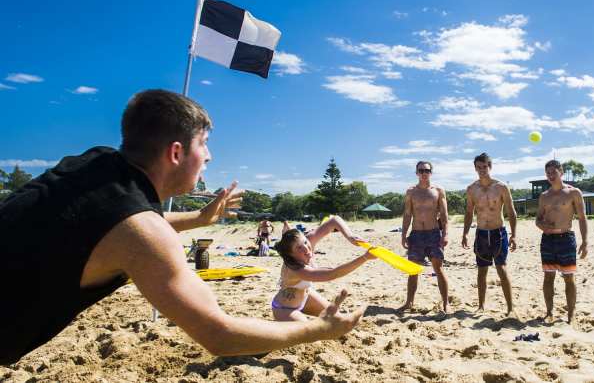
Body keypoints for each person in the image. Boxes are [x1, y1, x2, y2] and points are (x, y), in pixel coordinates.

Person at [0, 89, 363, 365]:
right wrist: (319, 330)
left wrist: (200, 220)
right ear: (175, 153)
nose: (209, 156)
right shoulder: (142, 234)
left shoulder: (97, 165)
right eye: (203, 144)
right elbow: (219, 335)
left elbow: (107, 223)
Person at [271, 216, 376, 321]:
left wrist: (350, 236)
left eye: (305, 242)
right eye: (299, 248)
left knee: (337, 319)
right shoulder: (296, 269)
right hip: (285, 308)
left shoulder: (308, 241)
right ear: (291, 254)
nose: (306, 248)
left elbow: (334, 221)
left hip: (306, 297)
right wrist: (365, 257)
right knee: (308, 332)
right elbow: (332, 274)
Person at [461, 153, 517, 315]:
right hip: (481, 233)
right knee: (481, 270)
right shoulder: (472, 189)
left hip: (498, 233)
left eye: (484, 167)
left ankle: (510, 308)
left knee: (502, 269)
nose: (482, 170)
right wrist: (465, 233)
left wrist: (514, 234)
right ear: (475, 168)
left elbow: (511, 212)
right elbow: (469, 212)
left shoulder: (500, 187)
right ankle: (481, 305)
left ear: (490, 166)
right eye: (479, 167)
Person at [535, 160, 589, 324]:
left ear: (561, 172)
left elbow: (582, 217)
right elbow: (537, 219)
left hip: (566, 238)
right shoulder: (544, 196)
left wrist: (585, 241)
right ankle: (549, 312)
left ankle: (571, 315)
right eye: (548, 173)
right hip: (548, 240)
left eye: (553, 172)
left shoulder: (573, 193)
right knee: (548, 277)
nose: (551, 176)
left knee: (569, 278)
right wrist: (543, 226)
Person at [398, 161, 450, 314]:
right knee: (413, 270)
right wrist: (403, 235)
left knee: (438, 269)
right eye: (421, 170)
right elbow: (407, 214)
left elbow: (445, 215)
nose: (424, 173)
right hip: (416, 235)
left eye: (426, 170)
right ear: (416, 173)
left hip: (433, 233)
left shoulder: (438, 190)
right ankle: (409, 303)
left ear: (431, 172)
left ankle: (446, 303)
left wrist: (445, 234)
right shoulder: (410, 192)